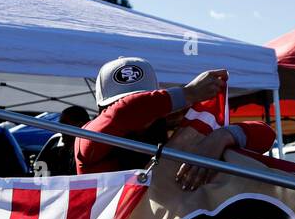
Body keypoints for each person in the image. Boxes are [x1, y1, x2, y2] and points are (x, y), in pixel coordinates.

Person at [75, 57, 275, 189]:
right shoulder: (87, 140)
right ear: (103, 110)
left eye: (146, 99)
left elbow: (266, 135)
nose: (143, 115)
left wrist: (222, 137)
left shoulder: (176, 136)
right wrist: (188, 93)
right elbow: (124, 112)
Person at [32, 105, 90, 177]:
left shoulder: (93, 145)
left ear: (80, 125)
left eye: (64, 123)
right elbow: (39, 175)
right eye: (60, 124)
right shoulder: (55, 143)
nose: (60, 128)